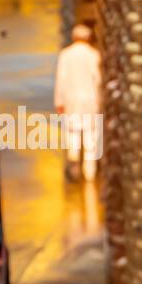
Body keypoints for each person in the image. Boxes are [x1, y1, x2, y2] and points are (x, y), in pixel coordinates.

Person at [53, 24, 103, 182]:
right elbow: (98, 80)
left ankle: (74, 162)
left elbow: (61, 79)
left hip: (71, 100)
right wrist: (101, 101)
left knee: (73, 132)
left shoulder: (66, 55)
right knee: (90, 135)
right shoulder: (94, 54)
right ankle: (90, 172)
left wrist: (59, 101)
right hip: (90, 99)